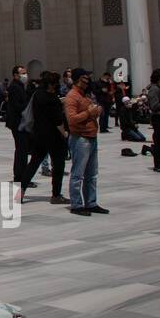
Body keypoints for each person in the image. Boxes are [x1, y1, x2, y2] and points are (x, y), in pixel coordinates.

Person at [19, 71, 69, 204]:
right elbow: (58, 121)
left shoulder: (38, 94)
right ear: (51, 85)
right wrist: (64, 133)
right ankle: (56, 195)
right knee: (58, 165)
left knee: (34, 163)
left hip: (39, 134)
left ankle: (21, 191)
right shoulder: (52, 98)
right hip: (54, 137)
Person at [64, 68, 108, 216]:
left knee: (92, 174)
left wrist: (96, 110)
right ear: (77, 79)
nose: (87, 80)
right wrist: (89, 113)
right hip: (80, 138)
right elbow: (72, 119)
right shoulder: (72, 96)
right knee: (78, 174)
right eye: (84, 77)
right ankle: (76, 204)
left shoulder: (86, 95)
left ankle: (91, 202)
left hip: (91, 136)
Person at [5, 65, 30, 181]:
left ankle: (21, 175)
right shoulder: (15, 87)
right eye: (22, 73)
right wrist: (30, 107)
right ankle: (20, 177)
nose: (25, 75)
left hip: (20, 122)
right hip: (18, 123)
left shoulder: (20, 86)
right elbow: (18, 106)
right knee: (21, 150)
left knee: (22, 149)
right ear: (15, 75)